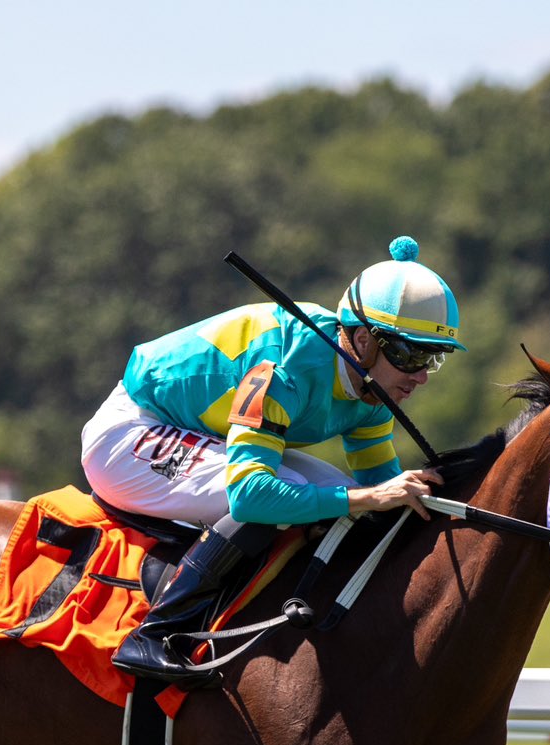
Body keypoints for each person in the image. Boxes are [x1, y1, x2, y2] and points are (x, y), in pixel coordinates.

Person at [82, 236, 465, 687]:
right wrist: (372, 496)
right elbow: (251, 497)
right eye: (411, 355)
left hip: (204, 432)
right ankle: (155, 633)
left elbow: (379, 485)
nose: (420, 375)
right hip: (129, 433)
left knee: (334, 494)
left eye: (431, 358)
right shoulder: (282, 372)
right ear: (363, 340)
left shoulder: (372, 386)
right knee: (287, 494)